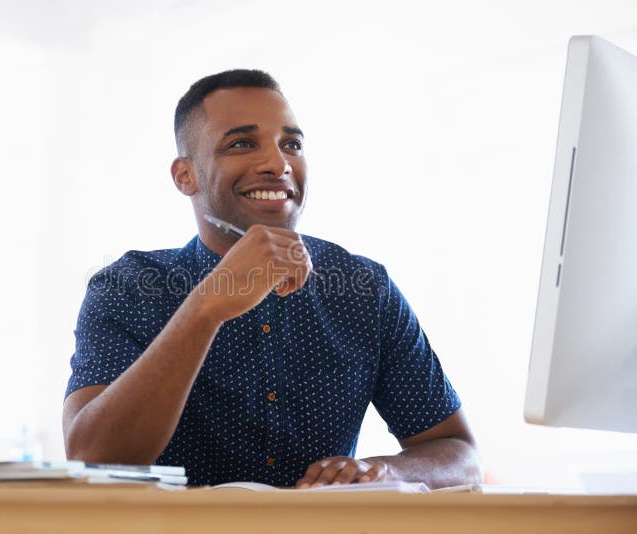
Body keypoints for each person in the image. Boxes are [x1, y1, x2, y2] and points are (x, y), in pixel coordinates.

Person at [62, 69, 482, 489]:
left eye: (292, 145)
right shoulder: (128, 288)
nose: (278, 164)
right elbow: (92, 457)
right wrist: (207, 306)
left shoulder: (364, 289)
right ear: (184, 175)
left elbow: (460, 456)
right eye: (241, 144)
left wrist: (386, 471)